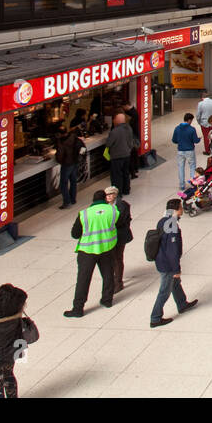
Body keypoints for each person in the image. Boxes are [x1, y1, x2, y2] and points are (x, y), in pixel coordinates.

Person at [64, 189, 118, 317]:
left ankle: (78, 308)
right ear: (105, 199)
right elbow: (119, 224)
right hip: (107, 247)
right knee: (108, 274)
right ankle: (107, 300)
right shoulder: (113, 211)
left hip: (87, 250)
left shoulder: (84, 214)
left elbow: (75, 234)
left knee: (83, 279)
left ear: (93, 201)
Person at [149, 198, 198, 327]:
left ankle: (182, 304)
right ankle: (155, 318)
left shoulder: (163, 220)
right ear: (177, 209)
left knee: (175, 284)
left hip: (161, 259)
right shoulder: (172, 225)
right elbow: (172, 250)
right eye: (181, 208)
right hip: (167, 264)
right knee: (165, 290)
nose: (182, 210)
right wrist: (176, 269)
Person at [103, 185, 132, 293]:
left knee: (117, 258)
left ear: (115, 195)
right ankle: (113, 280)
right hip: (109, 236)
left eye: (110, 194)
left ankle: (118, 282)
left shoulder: (122, 205)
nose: (108, 197)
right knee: (111, 259)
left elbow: (120, 221)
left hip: (120, 236)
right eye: (107, 195)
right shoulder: (105, 206)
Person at [105, 112, 135, 195]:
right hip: (127, 154)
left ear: (116, 120)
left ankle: (117, 193)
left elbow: (108, 144)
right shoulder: (129, 128)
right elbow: (130, 141)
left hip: (116, 156)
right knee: (125, 173)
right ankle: (126, 189)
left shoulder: (115, 131)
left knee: (116, 175)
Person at [55, 123, 83, 209]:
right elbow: (81, 146)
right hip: (75, 162)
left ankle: (66, 202)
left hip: (66, 164)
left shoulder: (61, 142)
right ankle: (73, 199)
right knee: (73, 181)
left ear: (59, 134)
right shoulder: (74, 137)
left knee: (64, 183)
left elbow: (59, 155)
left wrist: (59, 160)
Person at [171, 113, 201, 192]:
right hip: (190, 150)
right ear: (189, 120)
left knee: (181, 167)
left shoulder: (177, 128)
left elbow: (174, 140)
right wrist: (199, 139)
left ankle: (181, 185)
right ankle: (193, 184)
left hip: (180, 150)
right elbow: (195, 140)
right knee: (192, 167)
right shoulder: (191, 129)